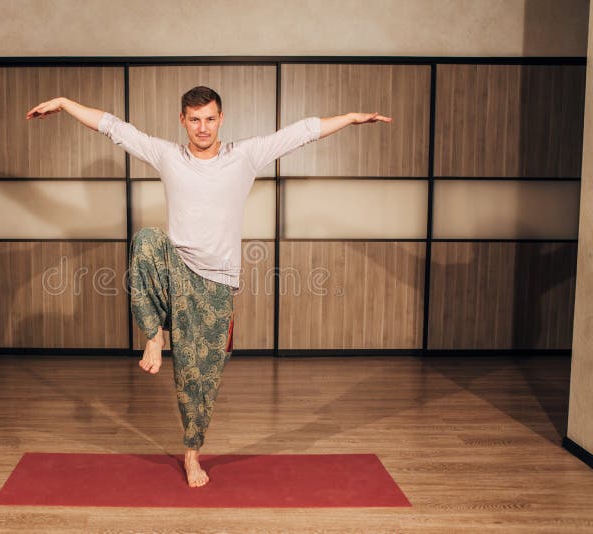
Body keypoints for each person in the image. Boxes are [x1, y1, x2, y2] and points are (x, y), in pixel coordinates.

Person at [26, 86, 391, 487]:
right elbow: (114, 128)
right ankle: (152, 334)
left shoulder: (244, 156)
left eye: (210, 118)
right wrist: (64, 104)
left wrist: (352, 118)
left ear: (221, 119)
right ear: (182, 120)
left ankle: (191, 453)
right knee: (147, 239)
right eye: (195, 119)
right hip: (176, 269)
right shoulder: (168, 156)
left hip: (217, 285)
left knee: (199, 379)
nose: (203, 127)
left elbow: (301, 131)